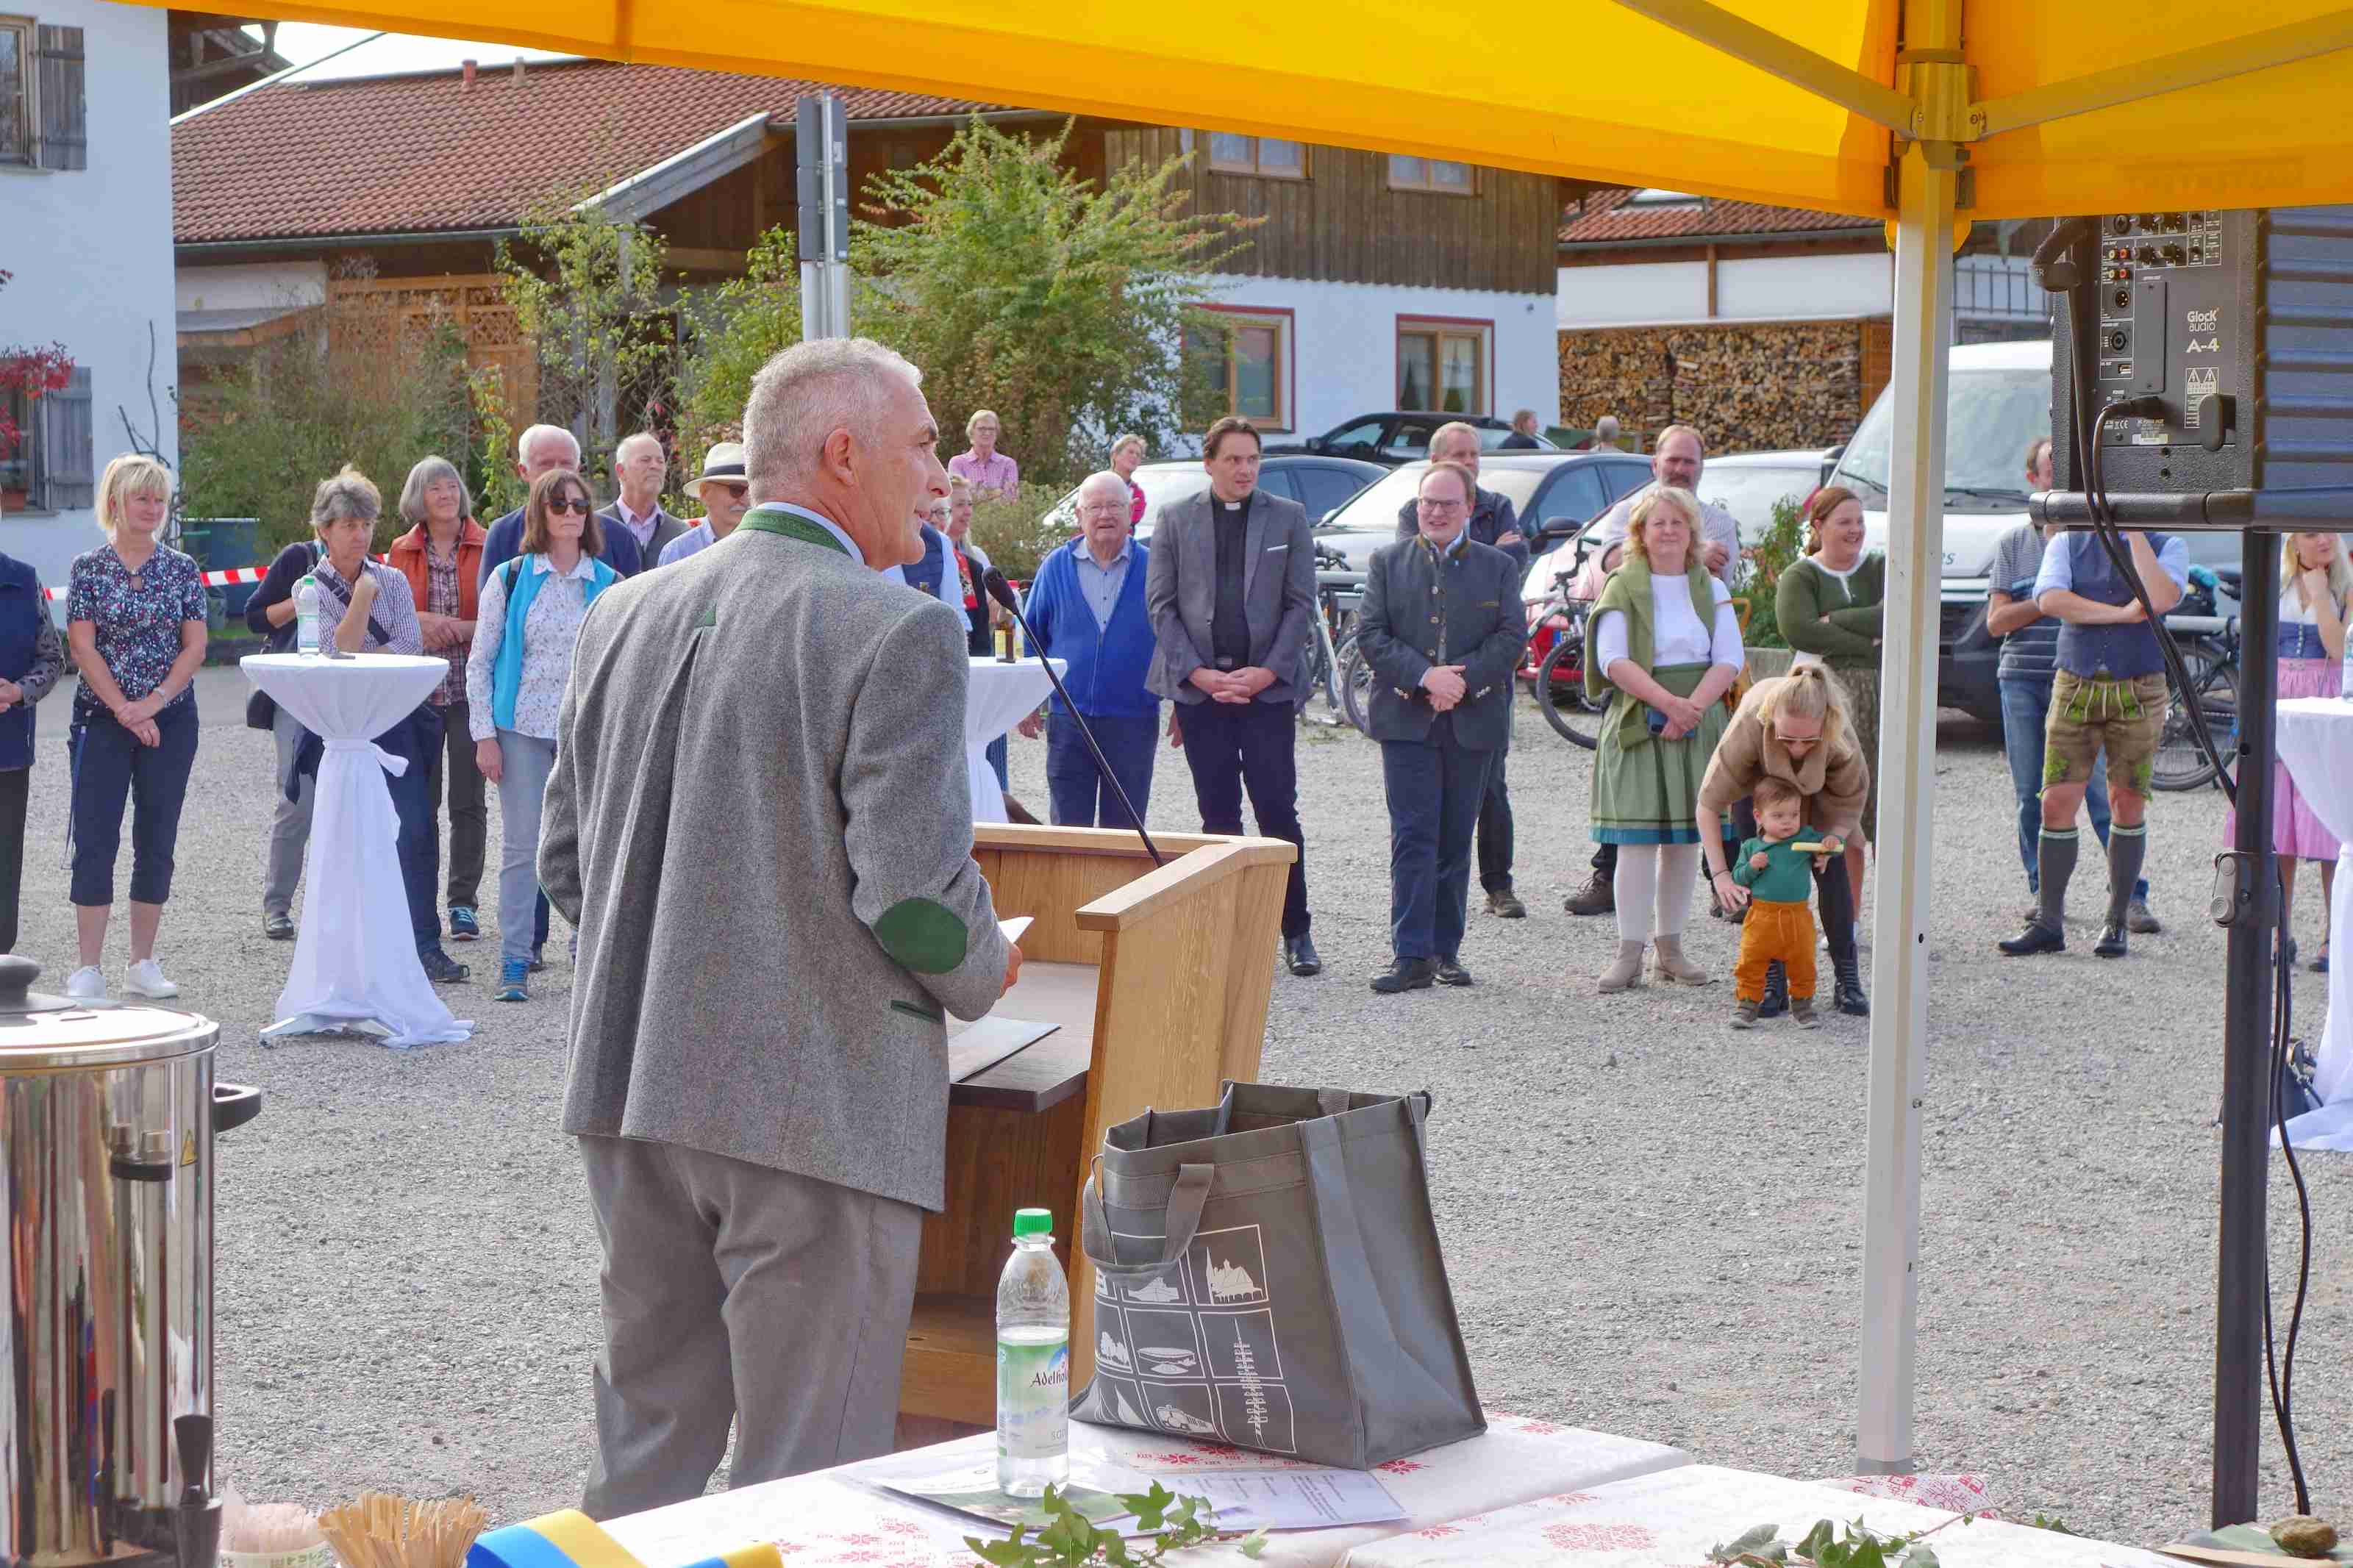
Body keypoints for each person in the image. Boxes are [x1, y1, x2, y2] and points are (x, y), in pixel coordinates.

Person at [539, 336, 1018, 1517]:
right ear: (841, 454)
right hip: (813, 1117)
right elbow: (910, 896)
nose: (941, 473)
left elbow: (563, 863)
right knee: (807, 1486)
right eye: (921, 445)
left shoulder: (623, 613)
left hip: (631, 1094)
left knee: (642, 1463)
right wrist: (991, 963)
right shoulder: (896, 628)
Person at [1146, 415, 1321, 977]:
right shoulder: (1175, 519)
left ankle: (1295, 930)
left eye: (1252, 459)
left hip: (1265, 696)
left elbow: (1301, 604)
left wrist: (1268, 673)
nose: (1244, 469)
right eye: (1233, 460)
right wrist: (1196, 674)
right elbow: (1161, 606)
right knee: (1217, 816)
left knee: (1278, 812)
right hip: (1204, 696)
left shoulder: (1288, 518)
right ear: (1210, 463)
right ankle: (1228, 933)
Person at [1356, 461, 1528, 992]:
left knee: (1455, 838)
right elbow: (1371, 634)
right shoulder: (1388, 561)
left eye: (1447, 503)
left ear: (1469, 510)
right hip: (1407, 719)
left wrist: (1463, 681)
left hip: (1473, 723)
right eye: (1427, 502)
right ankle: (1409, 954)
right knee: (1412, 836)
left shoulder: (1498, 566)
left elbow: (1511, 637)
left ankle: (1445, 950)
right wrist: (1425, 676)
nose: (1434, 511)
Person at [296, 466, 468, 984]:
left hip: (395, 725)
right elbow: (329, 656)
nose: (360, 533)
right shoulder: (310, 588)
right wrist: (364, 601)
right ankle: (349, 953)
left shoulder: (393, 578)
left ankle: (424, 945)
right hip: (339, 733)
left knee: (415, 830)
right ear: (324, 529)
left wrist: (361, 649)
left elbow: (407, 651)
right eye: (347, 524)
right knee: (344, 837)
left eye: (366, 522)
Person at [1565, 423, 1740, 917]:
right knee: (1633, 803)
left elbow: (1720, 582)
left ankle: (1719, 883)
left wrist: (1689, 707)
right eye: (1673, 461)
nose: (1681, 469)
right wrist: (1686, 552)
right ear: (1655, 464)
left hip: (1696, 687)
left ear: (1701, 467)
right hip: (1640, 681)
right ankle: (1607, 876)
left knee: (1701, 802)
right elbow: (1612, 564)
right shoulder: (1628, 512)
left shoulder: (1719, 520)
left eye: (1690, 462)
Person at [1985, 435, 2158, 934]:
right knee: (2031, 794)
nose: (2061, 479)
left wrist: (2063, 599)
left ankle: (2129, 898)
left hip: (2086, 680)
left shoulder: (2099, 540)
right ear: (2034, 480)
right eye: (2051, 469)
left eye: (2069, 471)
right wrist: (2048, 598)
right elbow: (1996, 622)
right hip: (2023, 680)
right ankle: (2045, 895)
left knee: (2107, 795)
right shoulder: (2013, 546)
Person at [1999, 506, 2188, 959]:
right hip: (2075, 682)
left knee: (2127, 800)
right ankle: (2050, 919)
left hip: (2140, 687)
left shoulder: (2169, 545)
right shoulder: (2066, 542)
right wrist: (2121, 616)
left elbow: (2160, 598)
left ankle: (2117, 919)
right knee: (2055, 799)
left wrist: (2137, 533)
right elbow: (2050, 599)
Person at [468, 468, 620, 1003]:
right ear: (541, 511)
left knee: (592, 847)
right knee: (521, 848)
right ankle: (515, 957)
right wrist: (483, 734)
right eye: (559, 504)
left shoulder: (611, 584)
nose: (571, 513)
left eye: (580, 505)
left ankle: (587, 950)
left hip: (587, 735)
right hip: (521, 731)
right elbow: (480, 659)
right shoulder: (509, 578)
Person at [1582, 486, 1743, 992]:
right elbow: (1612, 659)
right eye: (1658, 523)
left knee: (1684, 841)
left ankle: (1669, 950)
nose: (1669, 530)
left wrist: (1691, 708)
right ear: (1641, 533)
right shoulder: (1623, 584)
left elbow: (1729, 657)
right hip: (1640, 716)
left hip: (1698, 719)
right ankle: (1628, 954)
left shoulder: (1709, 586)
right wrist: (1669, 704)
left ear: (1692, 532)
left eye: (1678, 523)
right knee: (1635, 842)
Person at [63, 454, 206, 1000]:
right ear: (116, 503)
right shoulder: (88, 568)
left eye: (159, 499)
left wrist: (152, 703)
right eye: (141, 498)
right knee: (96, 839)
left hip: (170, 718)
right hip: (101, 719)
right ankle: (88, 968)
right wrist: (125, 708)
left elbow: (195, 646)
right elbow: (82, 645)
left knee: (157, 837)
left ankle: (142, 962)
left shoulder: (183, 570)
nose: (152, 508)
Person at [1393, 420, 1530, 918]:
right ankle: (1425, 907)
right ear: (1433, 463)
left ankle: (1499, 884)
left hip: (1485, 675)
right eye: (1458, 453)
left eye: (1474, 453)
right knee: (1425, 801)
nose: (1469, 461)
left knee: (1492, 784)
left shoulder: (1496, 503)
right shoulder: (1417, 509)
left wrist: (1466, 677)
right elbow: (1419, 570)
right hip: (1425, 680)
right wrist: (1436, 679)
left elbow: (1515, 561)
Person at [1698, 667, 1872, 1016]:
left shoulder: (1840, 738)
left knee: (1833, 875)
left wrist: (1833, 840)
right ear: (1770, 719)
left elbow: (1852, 800)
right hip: (1761, 791)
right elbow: (1708, 803)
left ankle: (1847, 978)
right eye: (1787, 738)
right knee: (1765, 878)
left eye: (1808, 741)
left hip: (1822, 795)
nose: (1796, 749)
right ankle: (1773, 980)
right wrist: (1721, 875)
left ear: (1826, 725)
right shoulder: (1751, 720)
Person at [2224, 530, 2351, 969]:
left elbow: (2339, 651)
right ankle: (2280, 932)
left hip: (2321, 701)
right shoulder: (2273, 586)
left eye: (2329, 533)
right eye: (2313, 535)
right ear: (2293, 543)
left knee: (2329, 825)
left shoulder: (2344, 589)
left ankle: (2336, 936)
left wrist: (2319, 596)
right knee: (2280, 828)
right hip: (2278, 700)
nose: (2325, 542)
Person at [1017, 471, 1160, 828]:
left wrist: (1185, 700)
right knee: (1068, 830)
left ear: (1130, 513)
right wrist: (1027, 701)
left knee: (1126, 833)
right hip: (1070, 720)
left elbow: (1176, 637)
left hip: (1134, 720)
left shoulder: (1155, 567)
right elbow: (1033, 637)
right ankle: (1071, 889)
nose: (1105, 515)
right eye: (1095, 507)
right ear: (1080, 516)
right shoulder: (1055, 567)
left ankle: (1125, 889)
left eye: (1114, 505)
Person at [1775, 486, 1880, 959]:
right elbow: (1799, 628)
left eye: (1859, 520)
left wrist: (1836, 618)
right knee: (1824, 808)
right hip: (1823, 702)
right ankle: (1802, 914)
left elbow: (1894, 614)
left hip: (1878, 699)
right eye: (1844, 521)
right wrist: (1866, 639)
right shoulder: (1800, 575)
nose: (1855, 529)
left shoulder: (1878, 569)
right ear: (1818, 526)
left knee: (1870, 806)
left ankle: (1853, 920)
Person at [388, 455, 490, 946]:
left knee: (468, 801)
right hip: (419, 693)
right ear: (419, 499)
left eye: (453, 485)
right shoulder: (399, 551)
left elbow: (501, 617)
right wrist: (422, 624)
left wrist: (458, 630)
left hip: (472, 690)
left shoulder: (488, 544)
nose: (448, 494)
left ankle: (463, 903)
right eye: (436, 488)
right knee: (419, 803)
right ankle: (418, 902)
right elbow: (387, 617)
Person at [480, 424, 643, 584]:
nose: (556, 471)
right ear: (523, 471)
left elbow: (634, 606)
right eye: (546, 464)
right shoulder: (503, 534)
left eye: (566, 463)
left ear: (578, 469)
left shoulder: (617, 536)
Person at [0, 545, 64, 953]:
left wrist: (19, 691)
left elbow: (53, 659)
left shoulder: (24, 581)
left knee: (5, 866)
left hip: (8, 755)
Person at [1728, 776, 1821, 1030]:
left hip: (1798, 916)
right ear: (1759, 816)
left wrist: (1832, 844)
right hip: (1761, 916)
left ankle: (1803, 1005)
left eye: (1794, 814)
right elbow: (1737, 877)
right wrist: (1752, 867)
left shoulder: (1805, 840)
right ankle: (1747, 1005)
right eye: (1779, 816)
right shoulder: (1751, 847)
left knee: (1803, 962)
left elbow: (1831, 846)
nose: (1788, 821)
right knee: (1751, 960)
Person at [656, 442, 754, 566]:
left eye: (751, 490)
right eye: (736, 490)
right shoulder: (678, 553)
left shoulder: (766, 547)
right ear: (705, 493)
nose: (746, 499)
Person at [599, 432, 690, 563]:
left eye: (660, 461)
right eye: (645, 460)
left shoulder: (681, 533)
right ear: (621, 471)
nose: (655, 466)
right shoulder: (594, 528)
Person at [948, 408, 1018, 498]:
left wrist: (972, 490)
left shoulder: (1008, 464)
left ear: (996, 433)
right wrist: (996, 493)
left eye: (992, 429)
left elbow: (1011, 499)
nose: (987, 433)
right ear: (972, 432)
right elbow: (959, 497)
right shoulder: (957, 463)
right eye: (982, 429)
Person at [1111, 432, 1149, 524]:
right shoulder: (1095, 484)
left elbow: (1130, 522)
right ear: (1115, 455)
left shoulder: (1138, 495)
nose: (1135, 456)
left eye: (1138, 455)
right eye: (1131, 452)